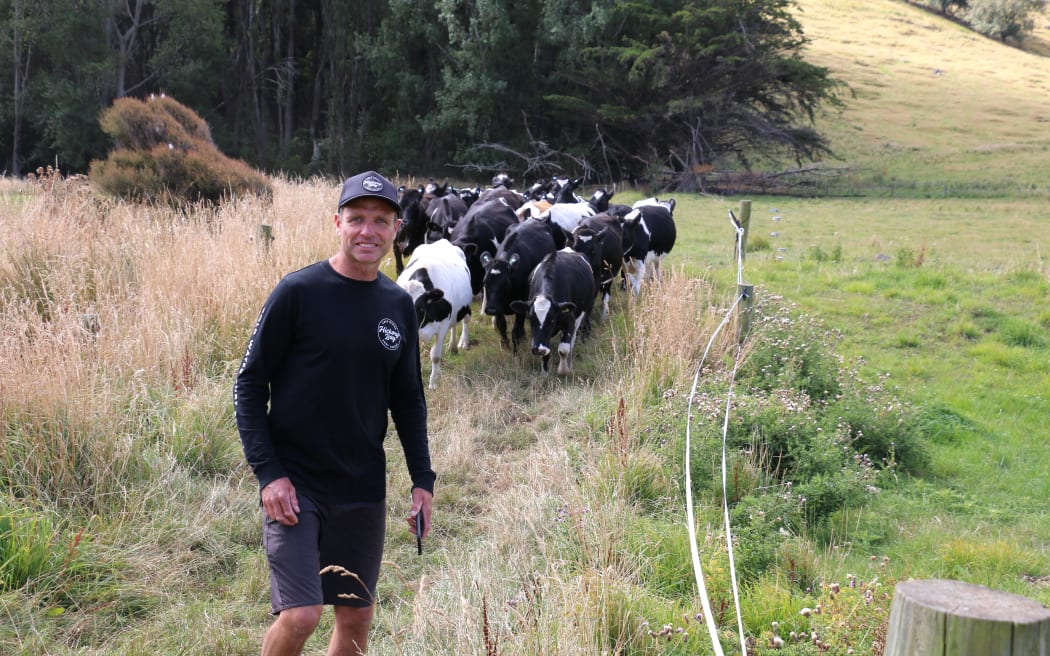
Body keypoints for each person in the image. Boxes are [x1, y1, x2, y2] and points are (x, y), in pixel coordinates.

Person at [234, 170, 436, 656]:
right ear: (338, 223)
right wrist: (269, 474)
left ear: (395, 229)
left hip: (362, 485)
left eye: (380, 221)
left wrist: (422, 480)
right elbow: (248, 384)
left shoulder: (397, 304)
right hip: (296, 484)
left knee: (356, 618)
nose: (368, 231)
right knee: (302, 614)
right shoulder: (298, 292)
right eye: (357, 219)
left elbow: (408, 398)